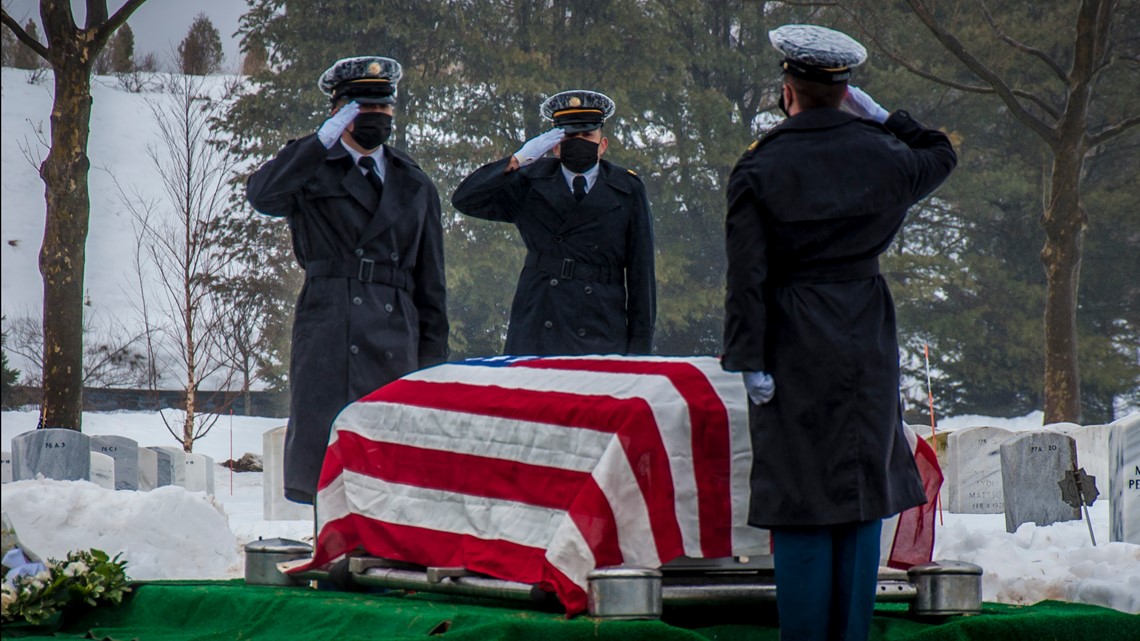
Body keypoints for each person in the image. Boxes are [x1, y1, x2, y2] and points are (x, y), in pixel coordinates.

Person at [721, 25, 957, 641]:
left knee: (801, 496)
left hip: (791, 334)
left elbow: (746, 275)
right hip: (865, 332)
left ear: (787, 91)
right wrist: (886, 117)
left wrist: (749, 357)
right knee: (860, 489)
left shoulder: (760, 165)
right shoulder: (886, 154)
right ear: (846, 92)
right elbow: (941, 151)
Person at [247, 56, 449, 505]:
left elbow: (431, 283)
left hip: (396, 333)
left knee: (389, 465)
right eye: (363, 107)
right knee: (328, 461)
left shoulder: (414, 182)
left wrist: (433, 366)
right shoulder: (310, 167)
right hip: (331, 325)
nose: (376, 117)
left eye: (384, 107)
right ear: (340, 111)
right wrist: (320, 141)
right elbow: (263, 195)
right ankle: (329, 550)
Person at [451, 90, 655, 356]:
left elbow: (642, 274)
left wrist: (639, 352)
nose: (579, 142)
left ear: (602, 144)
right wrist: (518, 159)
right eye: (570, 136)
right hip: (539, 319)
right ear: (555, 145)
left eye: (587, 136)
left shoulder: (627, 188)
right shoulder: (529, 182)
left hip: (601, 325)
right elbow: (465, 199)